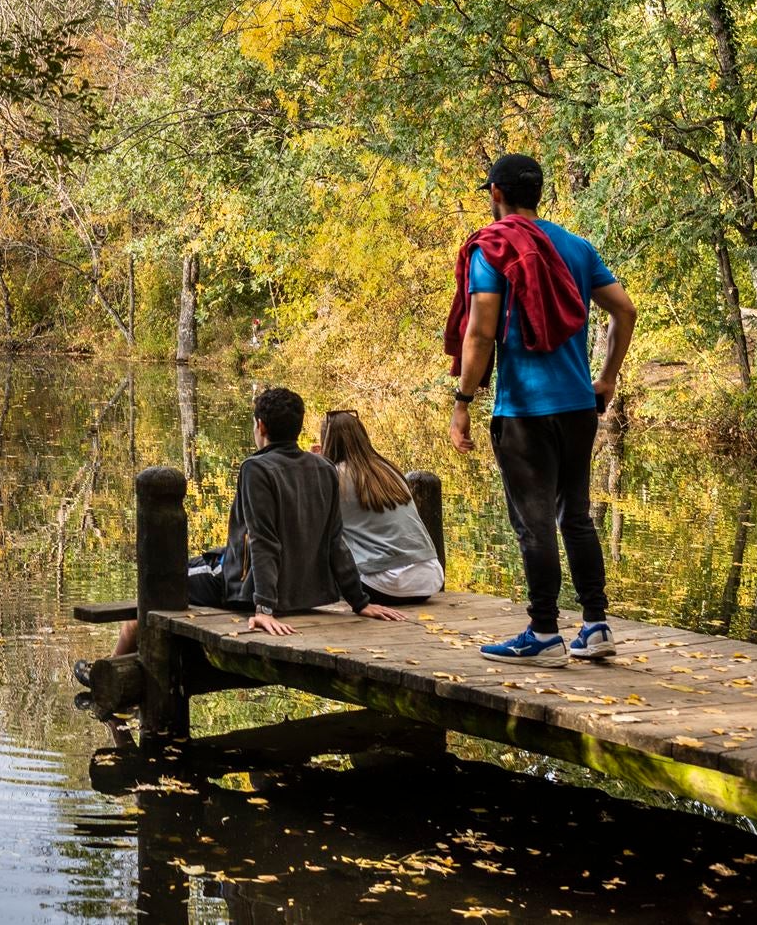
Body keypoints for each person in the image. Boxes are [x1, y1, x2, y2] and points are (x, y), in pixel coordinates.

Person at [76, 388, 408, 683]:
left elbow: (264, 540)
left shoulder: (257, 468)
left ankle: (107, 675)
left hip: (252, 591)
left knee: (157, 585)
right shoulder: (323, 468)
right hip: (307, 592)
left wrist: (263, 607)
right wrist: (359, 602)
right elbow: (335, 540)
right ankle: (117, 666)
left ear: (260, 426)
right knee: (205, 560)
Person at [446, 152, 636, 668]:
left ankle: (545, 631)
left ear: (496, 194)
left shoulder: (495, 248)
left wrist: (462, 402)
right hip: (579, 406)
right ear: (539, 194)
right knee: (575, 516)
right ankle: (595, 625)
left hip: (526, 411)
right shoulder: (574, 246)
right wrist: (608, 375)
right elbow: (624, 309)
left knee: (534, 524)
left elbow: (481, 331)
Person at [317, 410, 443, 605]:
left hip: (385, 585)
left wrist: (315, 465)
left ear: (327, 441)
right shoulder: (389, 470)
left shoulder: (332, 477)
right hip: (429, 578)